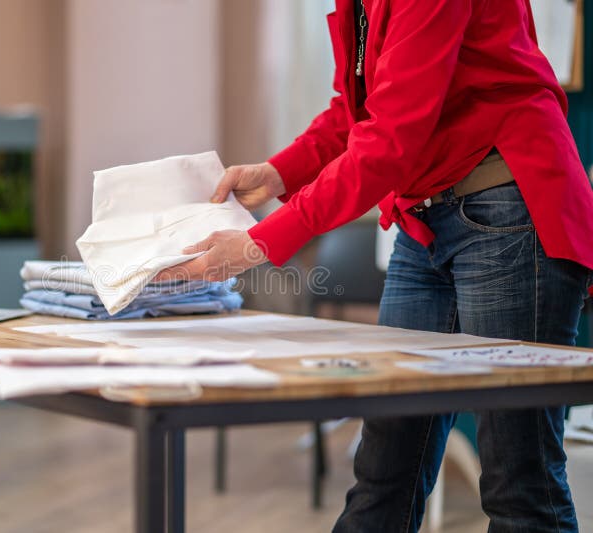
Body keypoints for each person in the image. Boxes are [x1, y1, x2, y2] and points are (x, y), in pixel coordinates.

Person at [157, 0, 593, 531]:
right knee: (385, 465)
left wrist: (259, 242)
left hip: (505, 209)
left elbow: (389, 140)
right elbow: (355, 111)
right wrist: (277, 173)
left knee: (518, 480)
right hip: (425, 219)